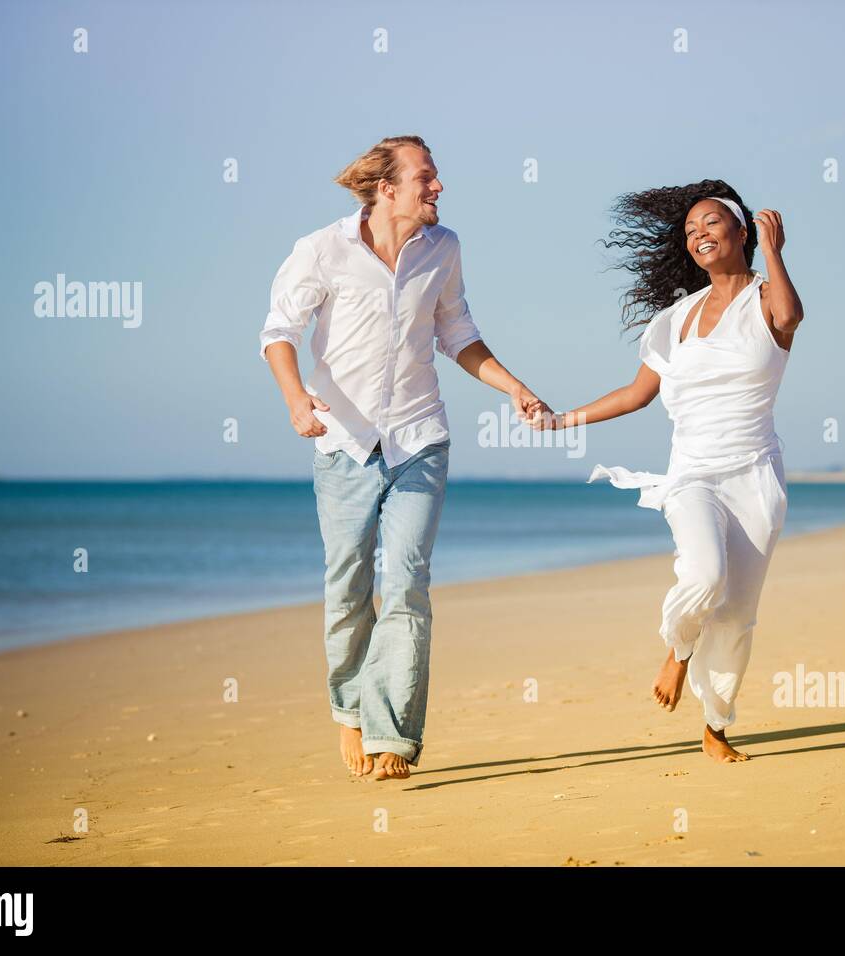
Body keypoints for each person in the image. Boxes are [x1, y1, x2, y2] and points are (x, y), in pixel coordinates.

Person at [260, 135, 548, 780]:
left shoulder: (442, 249)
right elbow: (278, 332)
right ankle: (349, 709)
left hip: (420, 439)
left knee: (408, 583)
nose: (438, 187)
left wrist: (514, 387)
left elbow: (458, 334)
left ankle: (395, 736)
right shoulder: (321, 250)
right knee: (347, 588)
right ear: (387, 187)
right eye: (427, 177)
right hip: (343, 445)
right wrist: (295, 401)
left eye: (437, 177)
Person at [533, 180, 803, 762]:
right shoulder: (674, 319)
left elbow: (790, 316)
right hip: (693, 474)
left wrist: (775, 252)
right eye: (690, 231)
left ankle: (716, 724)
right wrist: (565, 419)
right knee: (704, 575)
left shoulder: (765, 300)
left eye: (711, 223)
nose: (700, 234)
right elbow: (636, 394)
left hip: (754, 474)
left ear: (742, 232)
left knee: (735, 617)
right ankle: (678, 649)